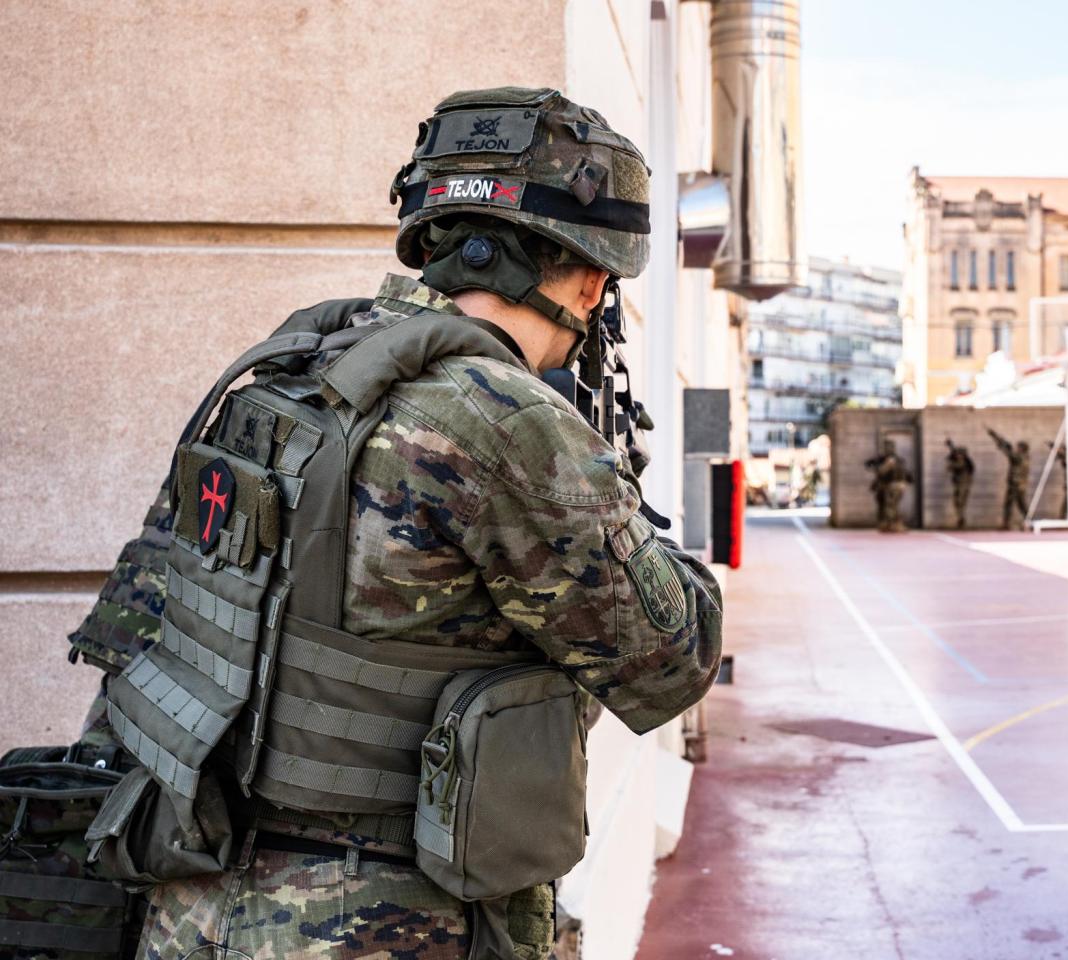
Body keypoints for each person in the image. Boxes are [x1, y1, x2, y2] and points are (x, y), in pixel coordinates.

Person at [58, 87, 723, 960]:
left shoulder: (284, 376)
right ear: (594, 277)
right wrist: (620, 504)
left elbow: (149, 619)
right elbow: (674, 658)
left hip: (190, 901)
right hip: (372, 925)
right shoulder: (506, 423)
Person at [986, 428, 1031, 531]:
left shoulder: (1020, 457)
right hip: (1019, 485)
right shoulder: (1025, 457)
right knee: (1021, 505)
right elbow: (1009, 450)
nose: (1016, 448)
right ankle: (1028, 521)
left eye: (1018, 447)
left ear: (1022, 448)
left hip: (1016, 485)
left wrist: (997, 440)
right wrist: (998, 439)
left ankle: (1007, 524)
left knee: (1010, 504)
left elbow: (1009, 453)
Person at [865, 440, 912, 533]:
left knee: (891, 506)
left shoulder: (892, 460)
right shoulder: (896, 460)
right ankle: (889, 525)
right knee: (890, 506)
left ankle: (895, 525)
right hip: (896, 486)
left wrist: (880, 468)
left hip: (894, 486)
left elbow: (881, 472)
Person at [944, 438, 975, 530]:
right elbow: (953, 455)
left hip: (962, 485)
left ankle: (961, 520)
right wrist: (950, 446)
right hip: (962, 485)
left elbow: (953, 466)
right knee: (959, 503)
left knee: (959, 503)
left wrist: (949, 463)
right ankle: (961, 520)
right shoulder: (965, 461)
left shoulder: (963, 462)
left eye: (959, 454)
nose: (957, 455)